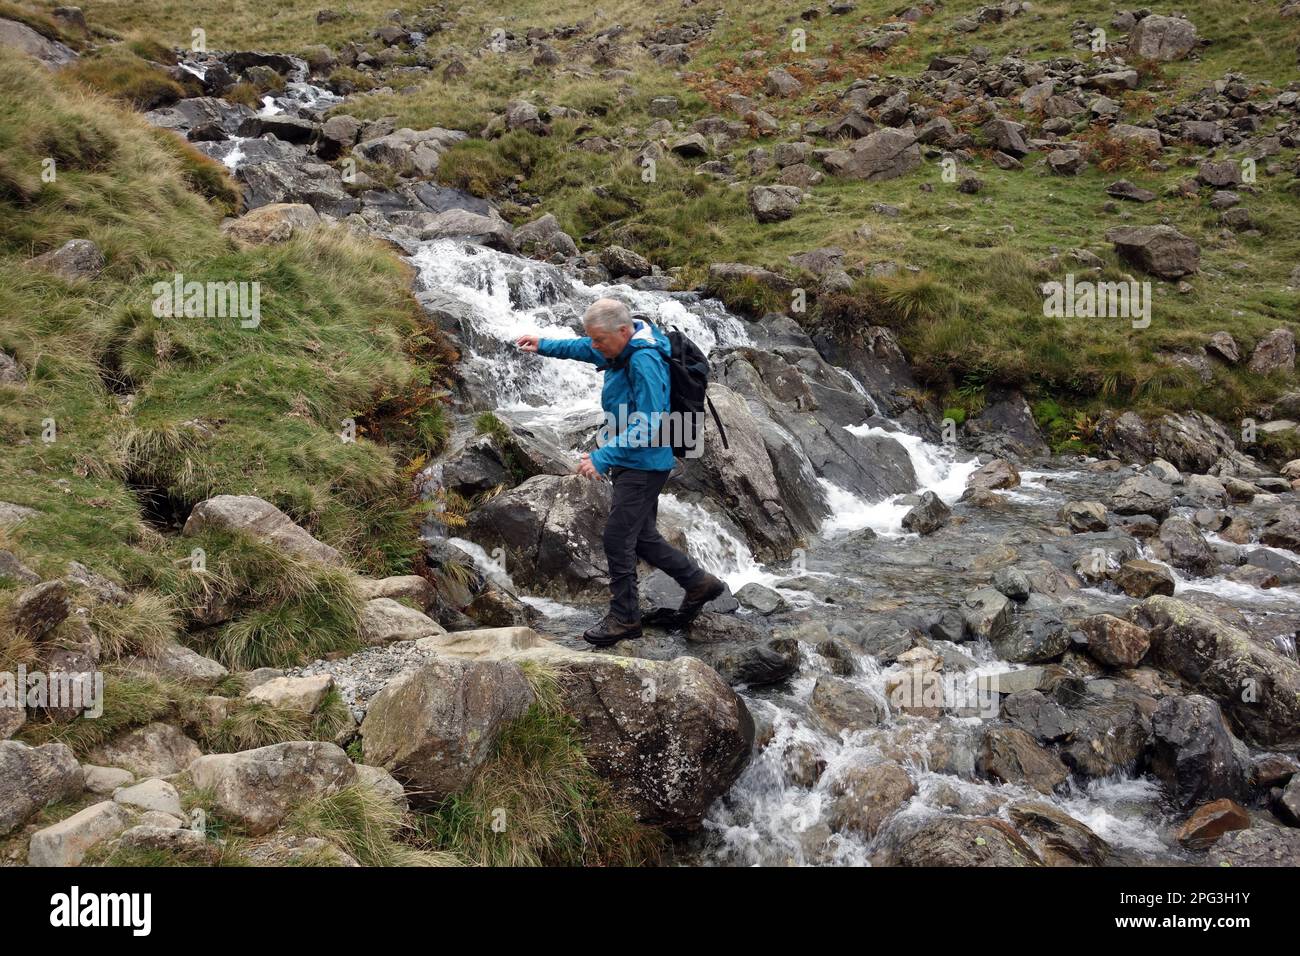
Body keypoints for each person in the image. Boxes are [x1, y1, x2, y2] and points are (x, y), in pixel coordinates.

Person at [516, 297, 725, 646]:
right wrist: (544, 345)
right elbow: (585, 348)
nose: (595, 346)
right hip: (636, 460)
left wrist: (602, 457)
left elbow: (651, 421)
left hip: (643, 463)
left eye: (600, 339)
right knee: (643, 538)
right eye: (593, 338)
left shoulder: (643, 360)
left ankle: (625, 617)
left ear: (624, 331)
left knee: (617, 538)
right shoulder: (621, 347)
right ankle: (699, 583)